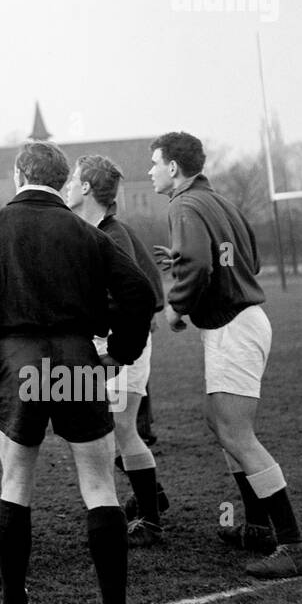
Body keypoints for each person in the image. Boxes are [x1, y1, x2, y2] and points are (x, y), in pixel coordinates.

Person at [0, 141, 157, 604]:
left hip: (18, 364)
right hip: (77, 359)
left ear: (19, 175)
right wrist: (120, 352)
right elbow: (140, 291)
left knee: (16, 485)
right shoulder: (85, 232)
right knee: (99, 487)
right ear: (61, 182)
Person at [150, 131, 302, 579]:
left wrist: (176, 305)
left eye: (155, 163)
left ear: (172, 168)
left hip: (232, 326)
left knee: (237, 433)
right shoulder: (219, 201)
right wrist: (183, 263)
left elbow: (204, 266)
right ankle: (259, 526)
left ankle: (292, 545)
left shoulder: (183, 205)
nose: (150, 172)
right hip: (243, 322)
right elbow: (249, 261)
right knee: (220, 424)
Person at [65, 155, 169, 545]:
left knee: (121, 430)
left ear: (88, 188)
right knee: (111, 430)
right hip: (108, 344)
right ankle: (151, 498)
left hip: (121, 345)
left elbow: (140, 293)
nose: (70, 185)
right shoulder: (94, 229)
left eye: (75, 179)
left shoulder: (111, 235)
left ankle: (151, 518)